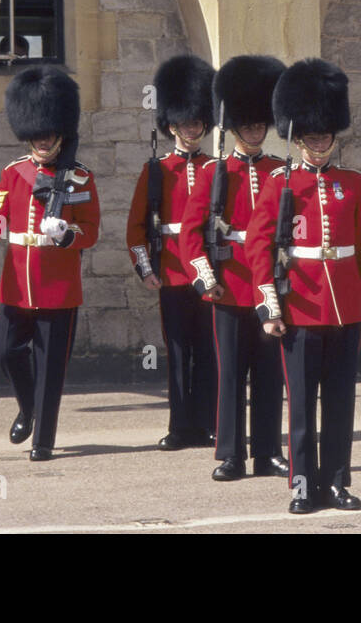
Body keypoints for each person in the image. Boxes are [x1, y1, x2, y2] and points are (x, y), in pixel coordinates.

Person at [245, 59, 361, 514]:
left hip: (344, 308)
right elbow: (257, 248)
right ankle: (303, 484)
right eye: (312, 138)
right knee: (301, 406)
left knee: (340, 403)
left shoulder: (353, 184)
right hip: (299, 305)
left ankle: (337, 481)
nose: (320, 146)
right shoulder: (279, 183)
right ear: (297, 137)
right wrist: (269, 306)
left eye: (326, 137)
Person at [0, 65, 100, 461]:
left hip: (58, 288)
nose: (43, 139)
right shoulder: (14, 173)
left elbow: (91, 230)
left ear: (60, 132)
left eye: (49, 132)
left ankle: (44, 440)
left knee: (51, 368)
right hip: (15, 285)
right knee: (5, 351)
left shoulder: (80, 178)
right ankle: (27, 408)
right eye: (37, 134)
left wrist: (66, 234)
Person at [181, 55, 289, 482]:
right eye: (247, 125)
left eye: (260, 124)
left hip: (269, 288)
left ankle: (266, 452)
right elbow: (190, 234)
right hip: (227, 285)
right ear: (235, 127)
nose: (255, 131)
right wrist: (206, 278)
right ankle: (230, 453)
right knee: (229, 374)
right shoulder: (214, 173)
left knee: (269, 373)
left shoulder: (281, 171)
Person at [126, 55, 217, 451]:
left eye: (196, 122)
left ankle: (211, 422)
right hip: (172, 273)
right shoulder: (156, 170)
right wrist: (147, 269)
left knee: (211, 352)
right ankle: (181, 425)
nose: (191, 129)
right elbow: (136, 228)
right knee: (178, 354)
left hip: (211, 273)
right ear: (171, 126)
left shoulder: (218, 167)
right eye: (183, 123)